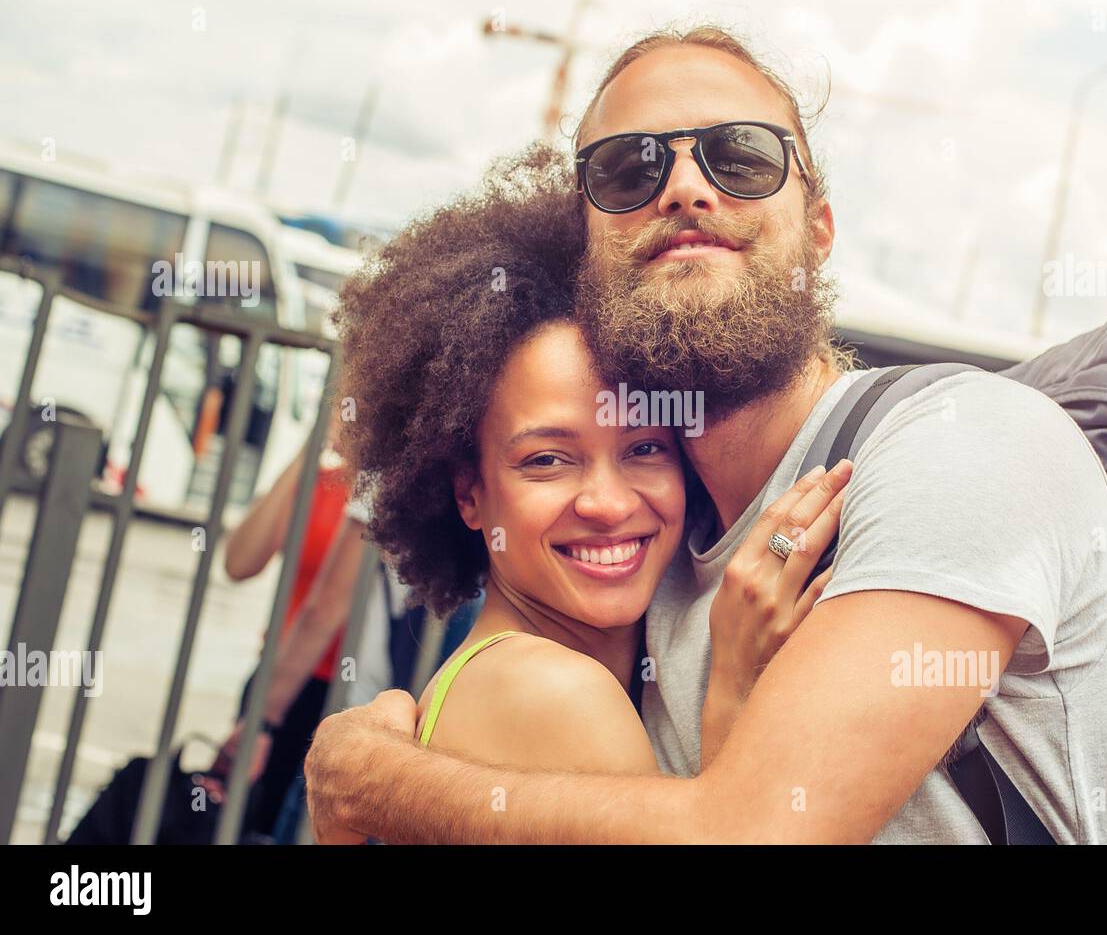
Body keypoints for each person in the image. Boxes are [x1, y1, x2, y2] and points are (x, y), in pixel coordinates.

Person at [306, 24, 1107, 844]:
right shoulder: (658, 555)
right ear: (587, 245)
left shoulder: (962, 444)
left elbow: (750, 830)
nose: (684, 186)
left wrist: (372, 777)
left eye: (742, 155)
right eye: (627, 169)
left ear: (819, 231)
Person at [326, 149, 845, 783]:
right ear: (468, 494)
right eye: (546, 460)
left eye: (644, 448)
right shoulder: (553, 692)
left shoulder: (562, 673)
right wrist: (735, 690)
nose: (607, 502)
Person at [212, 412, 363, 837]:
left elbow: (328, 606)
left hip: (344, 695)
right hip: (279, 679)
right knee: (243, 821)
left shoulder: (387, 496)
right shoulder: (320, 484)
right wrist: (307, 450)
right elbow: (239, 561)